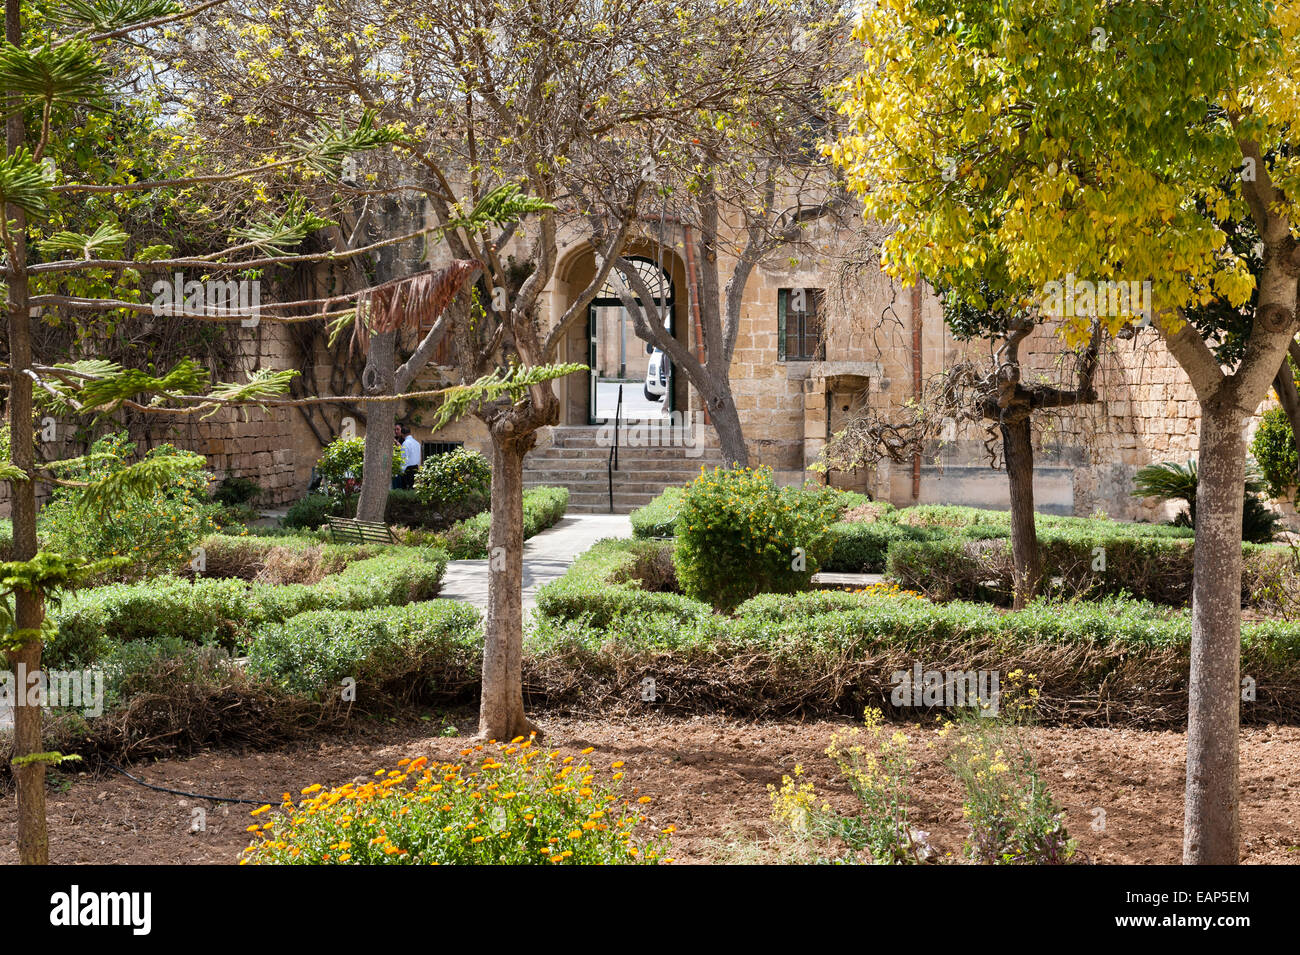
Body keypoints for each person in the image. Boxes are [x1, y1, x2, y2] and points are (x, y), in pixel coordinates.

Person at [398, 424, 422, 489]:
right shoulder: (417, 443)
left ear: (402, 434)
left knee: (406, 489)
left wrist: (402, 470)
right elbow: (419, 457)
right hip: (416, 468)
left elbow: (404, 458)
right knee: (413, 488)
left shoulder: (405, 443)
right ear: (410, 433)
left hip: (408, 469)